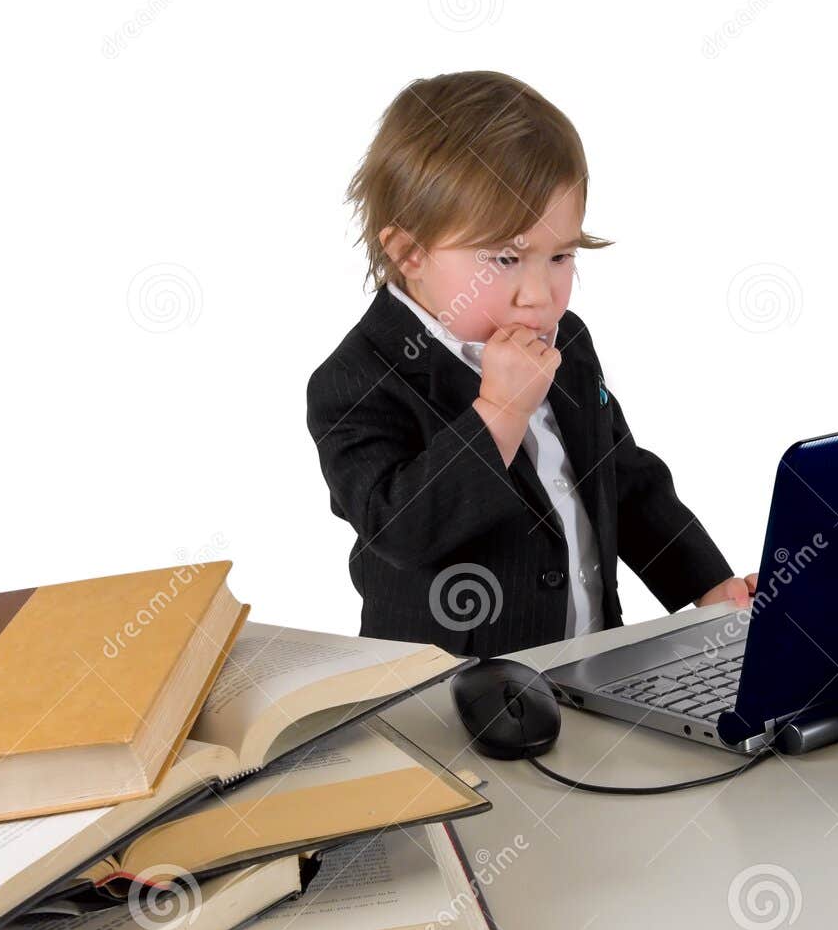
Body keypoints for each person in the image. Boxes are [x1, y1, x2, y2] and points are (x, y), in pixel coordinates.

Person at [306, 71, 754, 657]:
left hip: (586, 667)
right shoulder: (357, 380)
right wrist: (499, 412)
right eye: (506, 259)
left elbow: (622, 477)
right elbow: (403, 530)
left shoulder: (566, 343)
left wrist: (705, 583)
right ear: (410, 253)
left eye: (561, 255)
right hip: (444, 698)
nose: (539, 295)